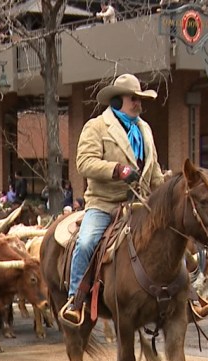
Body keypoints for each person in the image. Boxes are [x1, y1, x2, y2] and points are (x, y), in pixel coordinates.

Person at [61, 73, 164, 324]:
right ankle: (76, 299)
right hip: (104, 204)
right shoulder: (95, 127)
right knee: (86, 243)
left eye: (140, 99)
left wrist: (163, 196)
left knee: (171, 234)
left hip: (140, 204)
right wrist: (117, 170)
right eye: (134, 99)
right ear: (117, 102)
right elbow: (84, 163)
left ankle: (189, 294)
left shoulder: (145, 128)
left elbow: (154, 169)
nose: (139, 104)